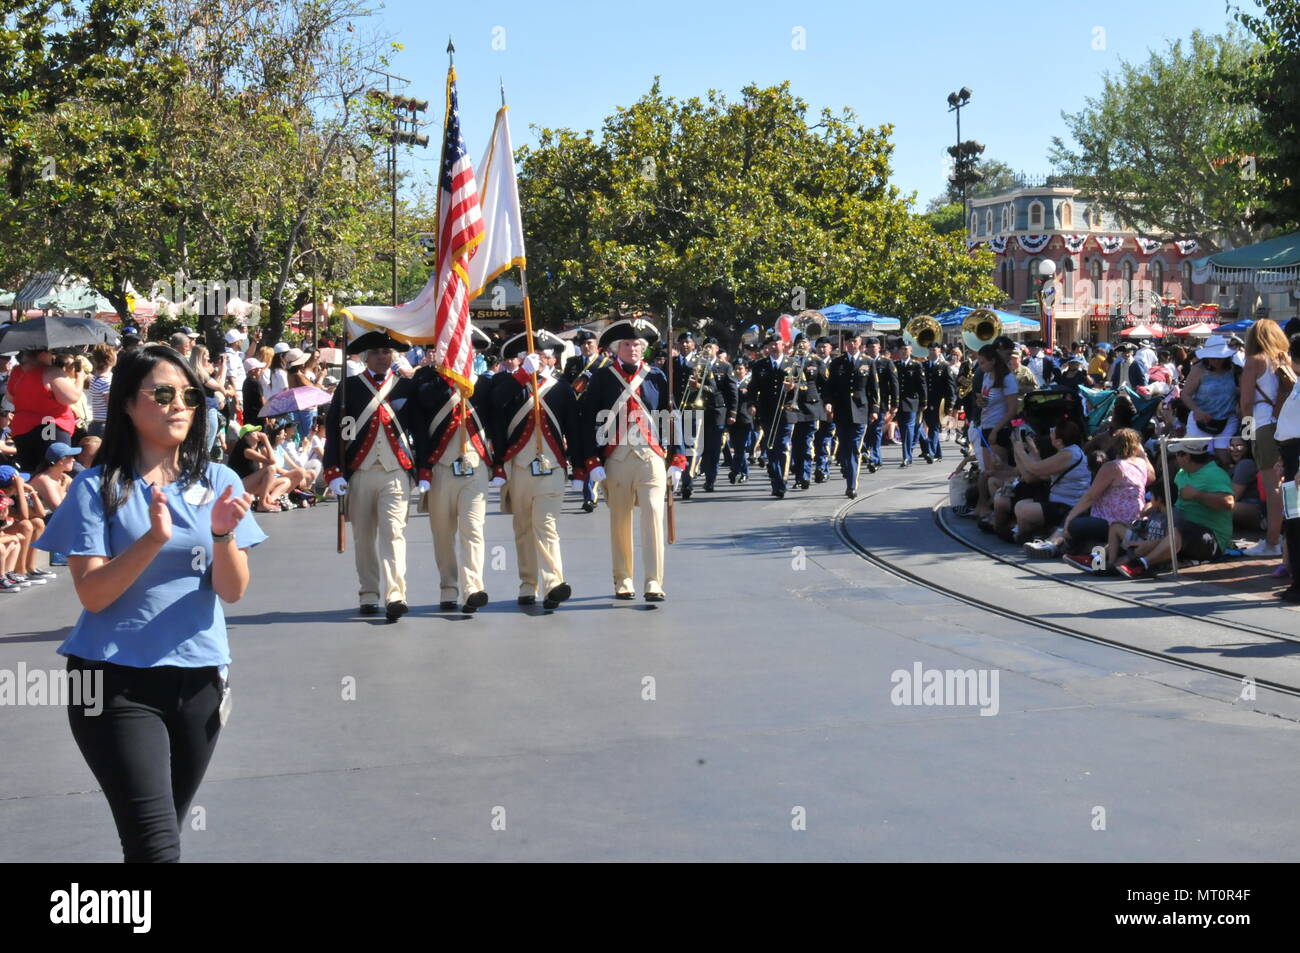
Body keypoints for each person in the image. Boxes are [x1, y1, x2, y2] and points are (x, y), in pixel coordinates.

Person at [34, 343, 263, 862]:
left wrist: (224, 536)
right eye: (162, 393)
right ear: (128, 406)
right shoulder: (96, 487)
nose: (179, 404)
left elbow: (232, 591)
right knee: (157, 848)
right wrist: (151, 541)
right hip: (112, 683)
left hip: (199, 681)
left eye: (190, 394)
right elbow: (93, 594)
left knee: (157, 841)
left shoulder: (219, 481)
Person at [578, 318, 685, 601]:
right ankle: (623, 579)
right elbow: (589, 420)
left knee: (653, 515)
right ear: (616, 348)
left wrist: (679, 457)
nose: (633, 349)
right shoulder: (601, 377)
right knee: (620, 521)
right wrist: (592, 461)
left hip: (651, 457)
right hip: (616, 459)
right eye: (627, 344)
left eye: (637, 344)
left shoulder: (657, 376)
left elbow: (669, 416)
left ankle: (654, 582)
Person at [324, 331, 419, 621]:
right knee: (364, 537)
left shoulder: (405, 386)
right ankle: (368, 592)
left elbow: (420, 425)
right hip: (360, 472)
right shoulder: (349, 387)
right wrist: (333, 472)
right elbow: (335, 433)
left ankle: (395, 594)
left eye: (387, 352)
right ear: (366, 356)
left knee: (393, 534)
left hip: (395, 472)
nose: (382, 356)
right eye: (377, 352)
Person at [488, 329, 579, 609]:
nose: (539, 359)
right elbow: (494, 405)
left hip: (551, 466)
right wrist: (520, 377)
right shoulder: (509, 383)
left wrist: (583, 468)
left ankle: (554, 583)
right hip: (518, 465)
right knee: (523, 526)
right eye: (533, 355)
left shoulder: (561, 388)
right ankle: (528, 583)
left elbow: (573, 428)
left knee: (546, 524)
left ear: (551, 359)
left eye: (543, 355)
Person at [410, 329, 496, 615]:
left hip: (475, 464)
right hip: (439, 466)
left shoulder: (484, 382)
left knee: (473, 529)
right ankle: (448, 587)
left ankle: (474, 587)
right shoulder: (426, 379)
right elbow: (422, 414)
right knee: (443, 532)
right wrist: (422, 467)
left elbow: (501, 410)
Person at [1115, 437, 1233, 578]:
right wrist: (1153, 505)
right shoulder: (1181, 474)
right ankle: (1106, 560)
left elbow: (1228, 503)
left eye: (1178, 453)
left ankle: (1141, 564)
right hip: (1177, 526)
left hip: (1210, 539)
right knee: (1132, 526)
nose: (1175, 457)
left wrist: (1198, 494)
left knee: (1179, 531)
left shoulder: (1215, 474)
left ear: (1187, 456)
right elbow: (1169, 500)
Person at [1059, 428, 1155, 572]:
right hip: (1133, 519)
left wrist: (1069, 519)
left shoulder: (1113, 466)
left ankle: (1087, 557)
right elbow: (1151, 476)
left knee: (1076, 524)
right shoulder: (1141, 464)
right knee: (1086, 522)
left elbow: (1091, 496)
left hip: (1111, 520)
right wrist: (1143, 454)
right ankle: (1086, 555)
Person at [1238, 319, 1292, 557]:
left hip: (1263, 425)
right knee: (1287, 484)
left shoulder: (1254, 361)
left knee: (1272, 487)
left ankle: (1272, 542)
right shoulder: (1284, 359)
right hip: (1286, 425)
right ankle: (1285, 537)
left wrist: (1247, 433)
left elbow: (1246, 402)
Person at [7, 348, 84, 471]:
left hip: (22, 428)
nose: (52, 356)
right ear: (42, 354)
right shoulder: (51, 372)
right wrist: (80, 377)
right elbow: (72, 397)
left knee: (31, 469)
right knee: (56, 466)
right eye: (50, 353)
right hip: (49, 424)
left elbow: (10, 397)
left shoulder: (16, 371)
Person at [750, 335, 798, 499]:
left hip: (786, 411)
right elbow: (752, 388)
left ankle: (781, 482)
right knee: (771, 448)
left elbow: (804, 387)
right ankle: (776, 479)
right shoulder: (759, 365)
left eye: (776, 343)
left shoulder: (793, 363)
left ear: (783, 345)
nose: (773, 346)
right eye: (770, 344)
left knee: (783, 446)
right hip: (767, 412)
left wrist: (793, 386)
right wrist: (752, 405)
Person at [1181, 335, 1240, 468]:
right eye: (1212, 357)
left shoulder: (1234, 369)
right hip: (1200, 419)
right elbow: (1185, 394)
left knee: (1225, 457)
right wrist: (1196, 410)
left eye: (1219, 357)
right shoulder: (1198, 370)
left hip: (1227, 418)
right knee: (1199, 458)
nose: (1216, 361)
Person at [227, 424, 290, 512]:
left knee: (285, 481)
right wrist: (266, 440)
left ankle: (269, 500)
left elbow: (261, 473)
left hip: (249, 484)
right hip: (238, 485)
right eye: (255, 431)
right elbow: (272, 461)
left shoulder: (257, 449)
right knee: (271, 468)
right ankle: (262, 504)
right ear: (247, 436)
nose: (258, 433)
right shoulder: (245, 450)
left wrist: (267, 495)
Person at [893, 342, 928, 467]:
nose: (903, 351)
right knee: (903, 429)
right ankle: (912, 452)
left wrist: (924, 401)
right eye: (901, 349)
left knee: (908, 428)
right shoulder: (895, 364)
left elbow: (922, 384)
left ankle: (907, 456)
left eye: (906, 349)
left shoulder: (916, 365)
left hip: (912, 401)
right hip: (899, 402)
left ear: (911, 351)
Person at [921, 344, 954, 463]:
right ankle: (938, 453)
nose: (931, 352)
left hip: (939, 402)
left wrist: (950, 404)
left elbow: (950, 387)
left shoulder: (944, 366)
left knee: (934, 427)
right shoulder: (924, 365)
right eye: (930, 350)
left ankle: (931, 452)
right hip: (926, 401)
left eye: (934, 350)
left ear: (939, 351)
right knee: (927, 425)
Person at [1226, 437, 1264, 533]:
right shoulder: (1234, 466)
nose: (1234, 450)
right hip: (1242, 508)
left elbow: (1232, 498)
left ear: (1248, 447)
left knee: (1217, 506)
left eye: (1239, 446)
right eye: (1232, 446)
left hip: (1256, 510)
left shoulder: (1246, 464)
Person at [30, 440, 80, 511]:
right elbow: (58, 510)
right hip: (42, 519)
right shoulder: (44, 480)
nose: (74, 460)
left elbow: (81, 493)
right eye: (71, 457)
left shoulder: (64, 477)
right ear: (61, 461)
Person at [728, 357, 754, 485]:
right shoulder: (731, 381)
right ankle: (738, 470)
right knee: (736, 446)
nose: (738, 371)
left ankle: (739, 472)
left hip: (745, 419)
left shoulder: (750, 382)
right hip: (733, 419)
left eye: (741, 368)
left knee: (741, 447)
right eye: (736, 369)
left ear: (746, 370)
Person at [86, 344, 116, 437]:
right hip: (105, 425)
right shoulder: (105, 382)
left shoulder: (96, 377)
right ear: (110, 359)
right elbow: (112, 405)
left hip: (96, 423)